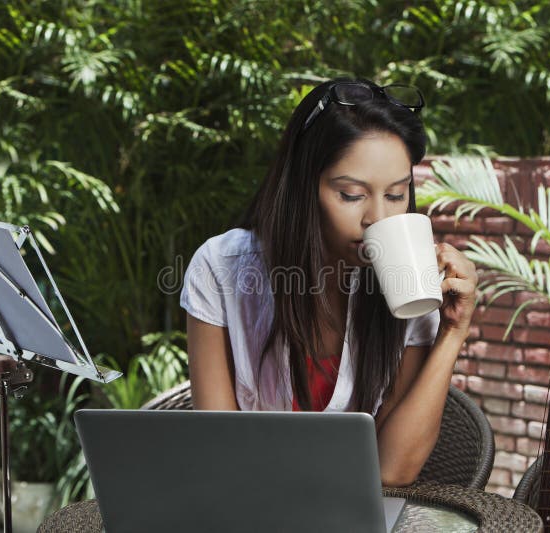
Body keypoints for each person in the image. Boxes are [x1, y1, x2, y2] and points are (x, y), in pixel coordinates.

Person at [180, 78, 477, 486]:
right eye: (352, 195)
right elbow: (220, 449)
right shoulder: (220, 268)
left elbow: (392, 470)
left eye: (396, 195)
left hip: (356, 510)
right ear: (304, 187)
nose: (377, 218)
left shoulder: (411, 279)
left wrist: (452, 333)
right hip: (247, 502)